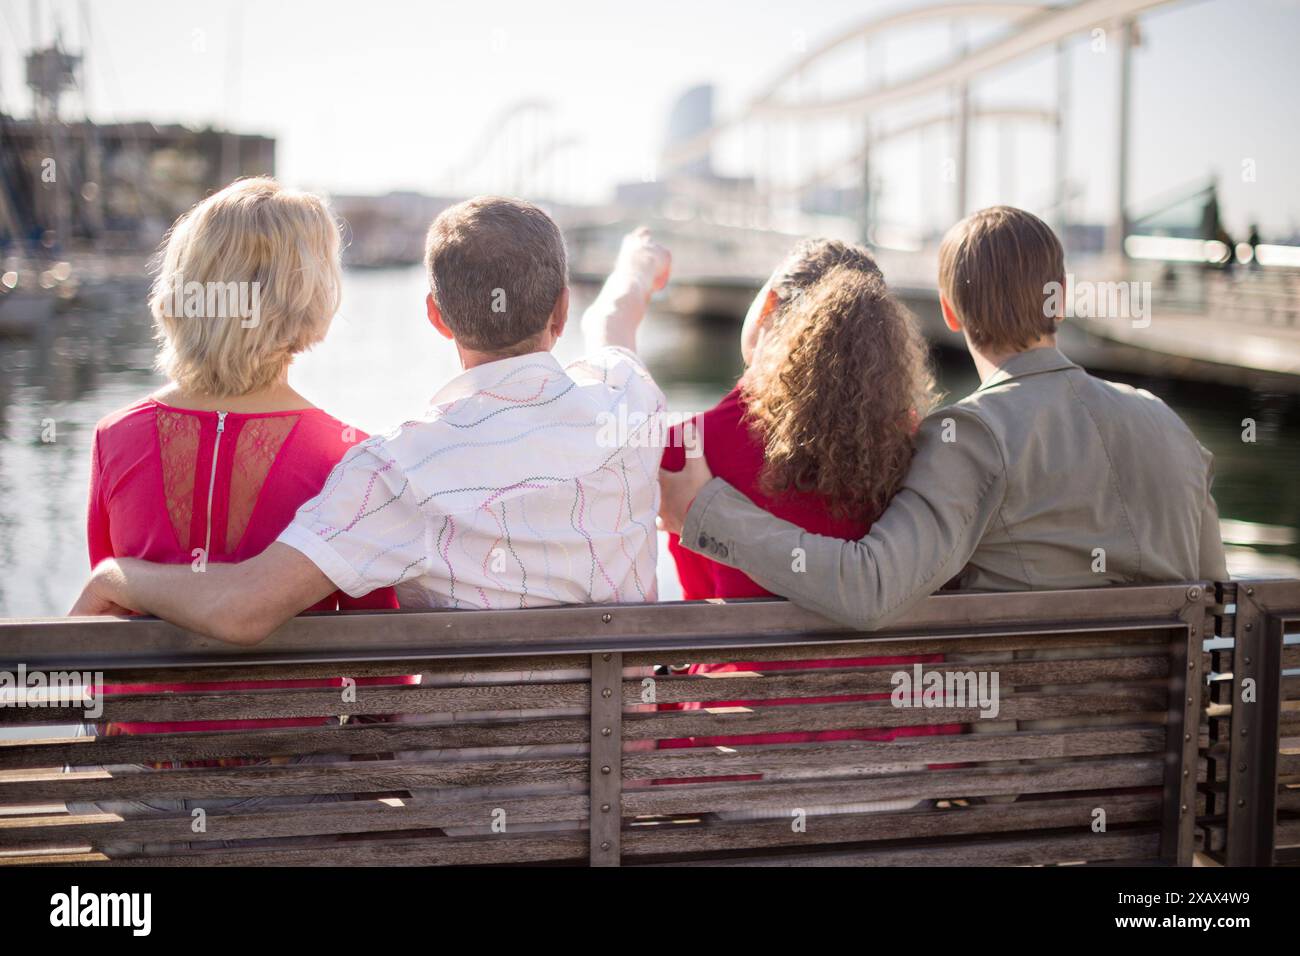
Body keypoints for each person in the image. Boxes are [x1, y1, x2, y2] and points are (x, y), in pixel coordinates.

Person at [72, 197, 671, 643]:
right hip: (615, 776)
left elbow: (242, 608)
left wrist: (113, 577)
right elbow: (614, 327)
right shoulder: (630, 400)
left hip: (460, 797)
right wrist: (634, 273)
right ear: (562, 305)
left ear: (435, 316)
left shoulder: (397, 470)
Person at [659, 205, 1229, 630]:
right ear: (1063, 297)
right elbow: (1219, 596)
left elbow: (872, 588)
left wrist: (706, 511)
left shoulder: (973, 436)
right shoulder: (1169, 426)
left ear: (950, 312)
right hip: (1173, 758)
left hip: (1032, 766)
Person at [69, 177, 405, 852]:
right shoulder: (351, 457)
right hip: (294, 785)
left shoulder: (116, 438)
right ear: (310, 298)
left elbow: (107, 626)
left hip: (145, 788)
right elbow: (382, 671)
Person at [654, 240, 960, 810]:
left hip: (746, 760)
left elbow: (700, 606)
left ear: (768, 307)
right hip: (902, 759)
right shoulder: (919, 450)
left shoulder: (689, 445)